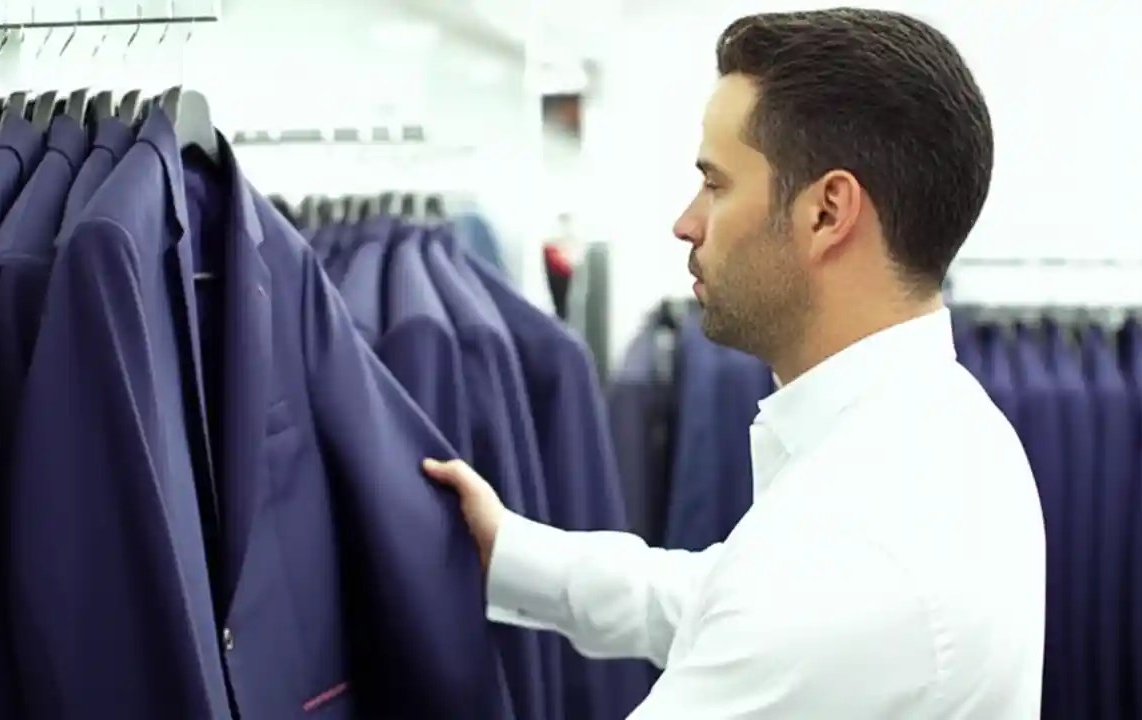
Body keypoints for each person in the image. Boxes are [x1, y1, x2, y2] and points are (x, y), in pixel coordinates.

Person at [424, 8, 1045, 718]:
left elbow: (783, 611)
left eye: (716, 184)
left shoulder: (856, 554)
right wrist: (506, 553)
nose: (686, 222)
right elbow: (723, 597)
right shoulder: (948, 434)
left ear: (827, 212)